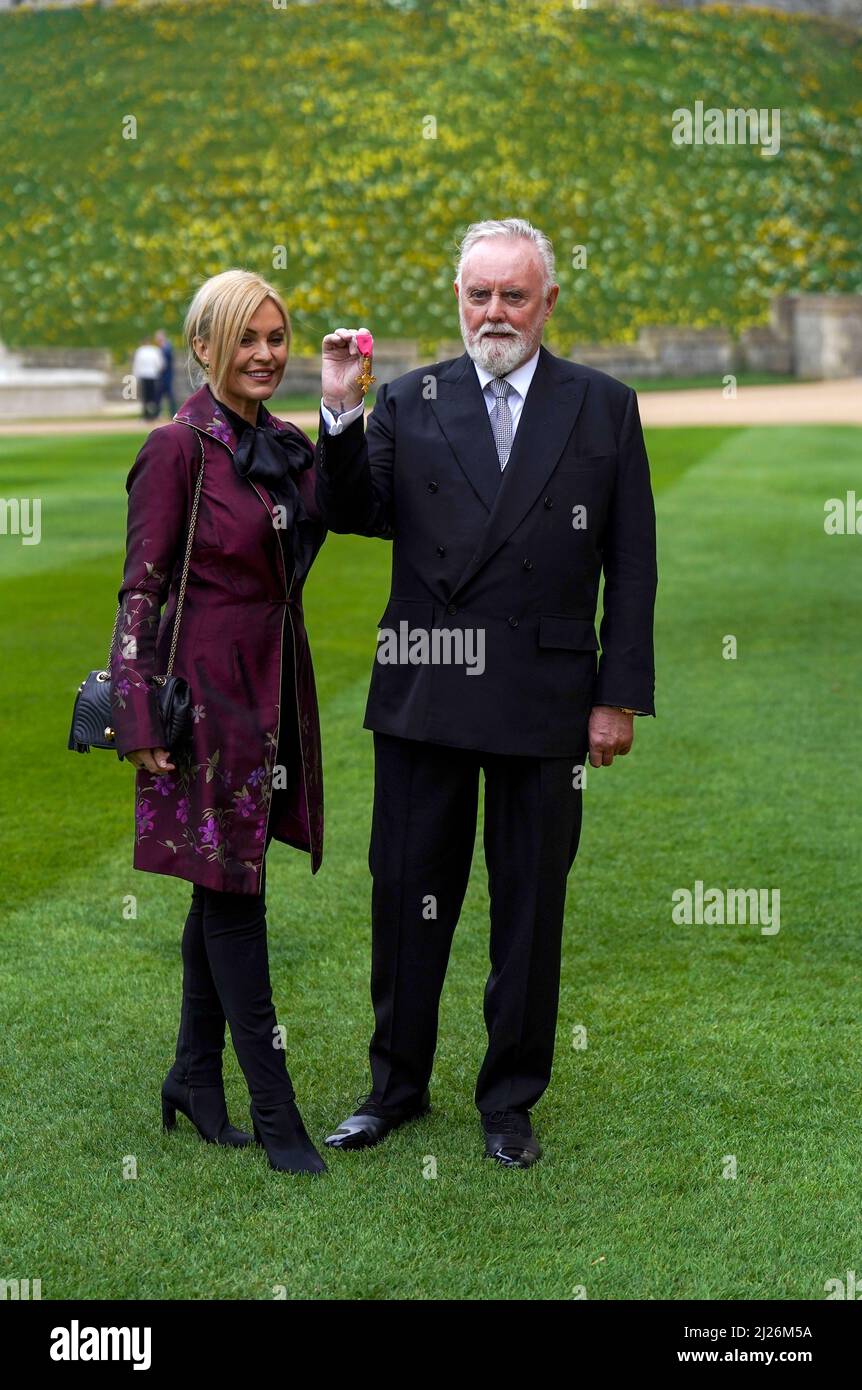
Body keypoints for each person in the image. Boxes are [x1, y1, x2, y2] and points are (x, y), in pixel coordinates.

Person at [315, 218, 657, 1168]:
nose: (494, 312)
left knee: (529, 905)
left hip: (546, 695)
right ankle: (395, 1089)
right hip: (428, 680)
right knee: (406, 895)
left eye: (513, 294)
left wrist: (616, 695)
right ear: (457, 299)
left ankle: (509, 1101)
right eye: (478, 294)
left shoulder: (603, 405)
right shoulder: (410, 399)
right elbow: (354, 514)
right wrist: (340, 412)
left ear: (549, 301)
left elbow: (631, 566)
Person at [110, 270, 328, 1175]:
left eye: (277, 338)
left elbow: (339, 511)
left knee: (222, 884)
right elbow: (141, 587)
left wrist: (347, 413)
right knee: (238, 897)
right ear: (203, 347)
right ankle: (276, 1120)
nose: (266, 354)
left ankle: (196, 1078)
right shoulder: (176, 447)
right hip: (203, 700)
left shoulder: (282, 442)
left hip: (269, 685)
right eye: (247, 339)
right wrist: (135, 715)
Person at [131, 335, 164, 419]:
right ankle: (153, 414)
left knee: (146, 396)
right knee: (152, 396)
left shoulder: (140, 351)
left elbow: (136, 365)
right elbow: (160, 364)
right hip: (152, 375)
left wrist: (136, 376)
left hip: (145, 375)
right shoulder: (154, 350)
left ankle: (147, 414)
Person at [154, 329, 177, 418]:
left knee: (168, 393)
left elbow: (165, 362)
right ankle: (158, 413)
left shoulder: (167, 347)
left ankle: (172, 413)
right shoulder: (161, 347)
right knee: (160, 394)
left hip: (167, 374)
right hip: (162, 375)